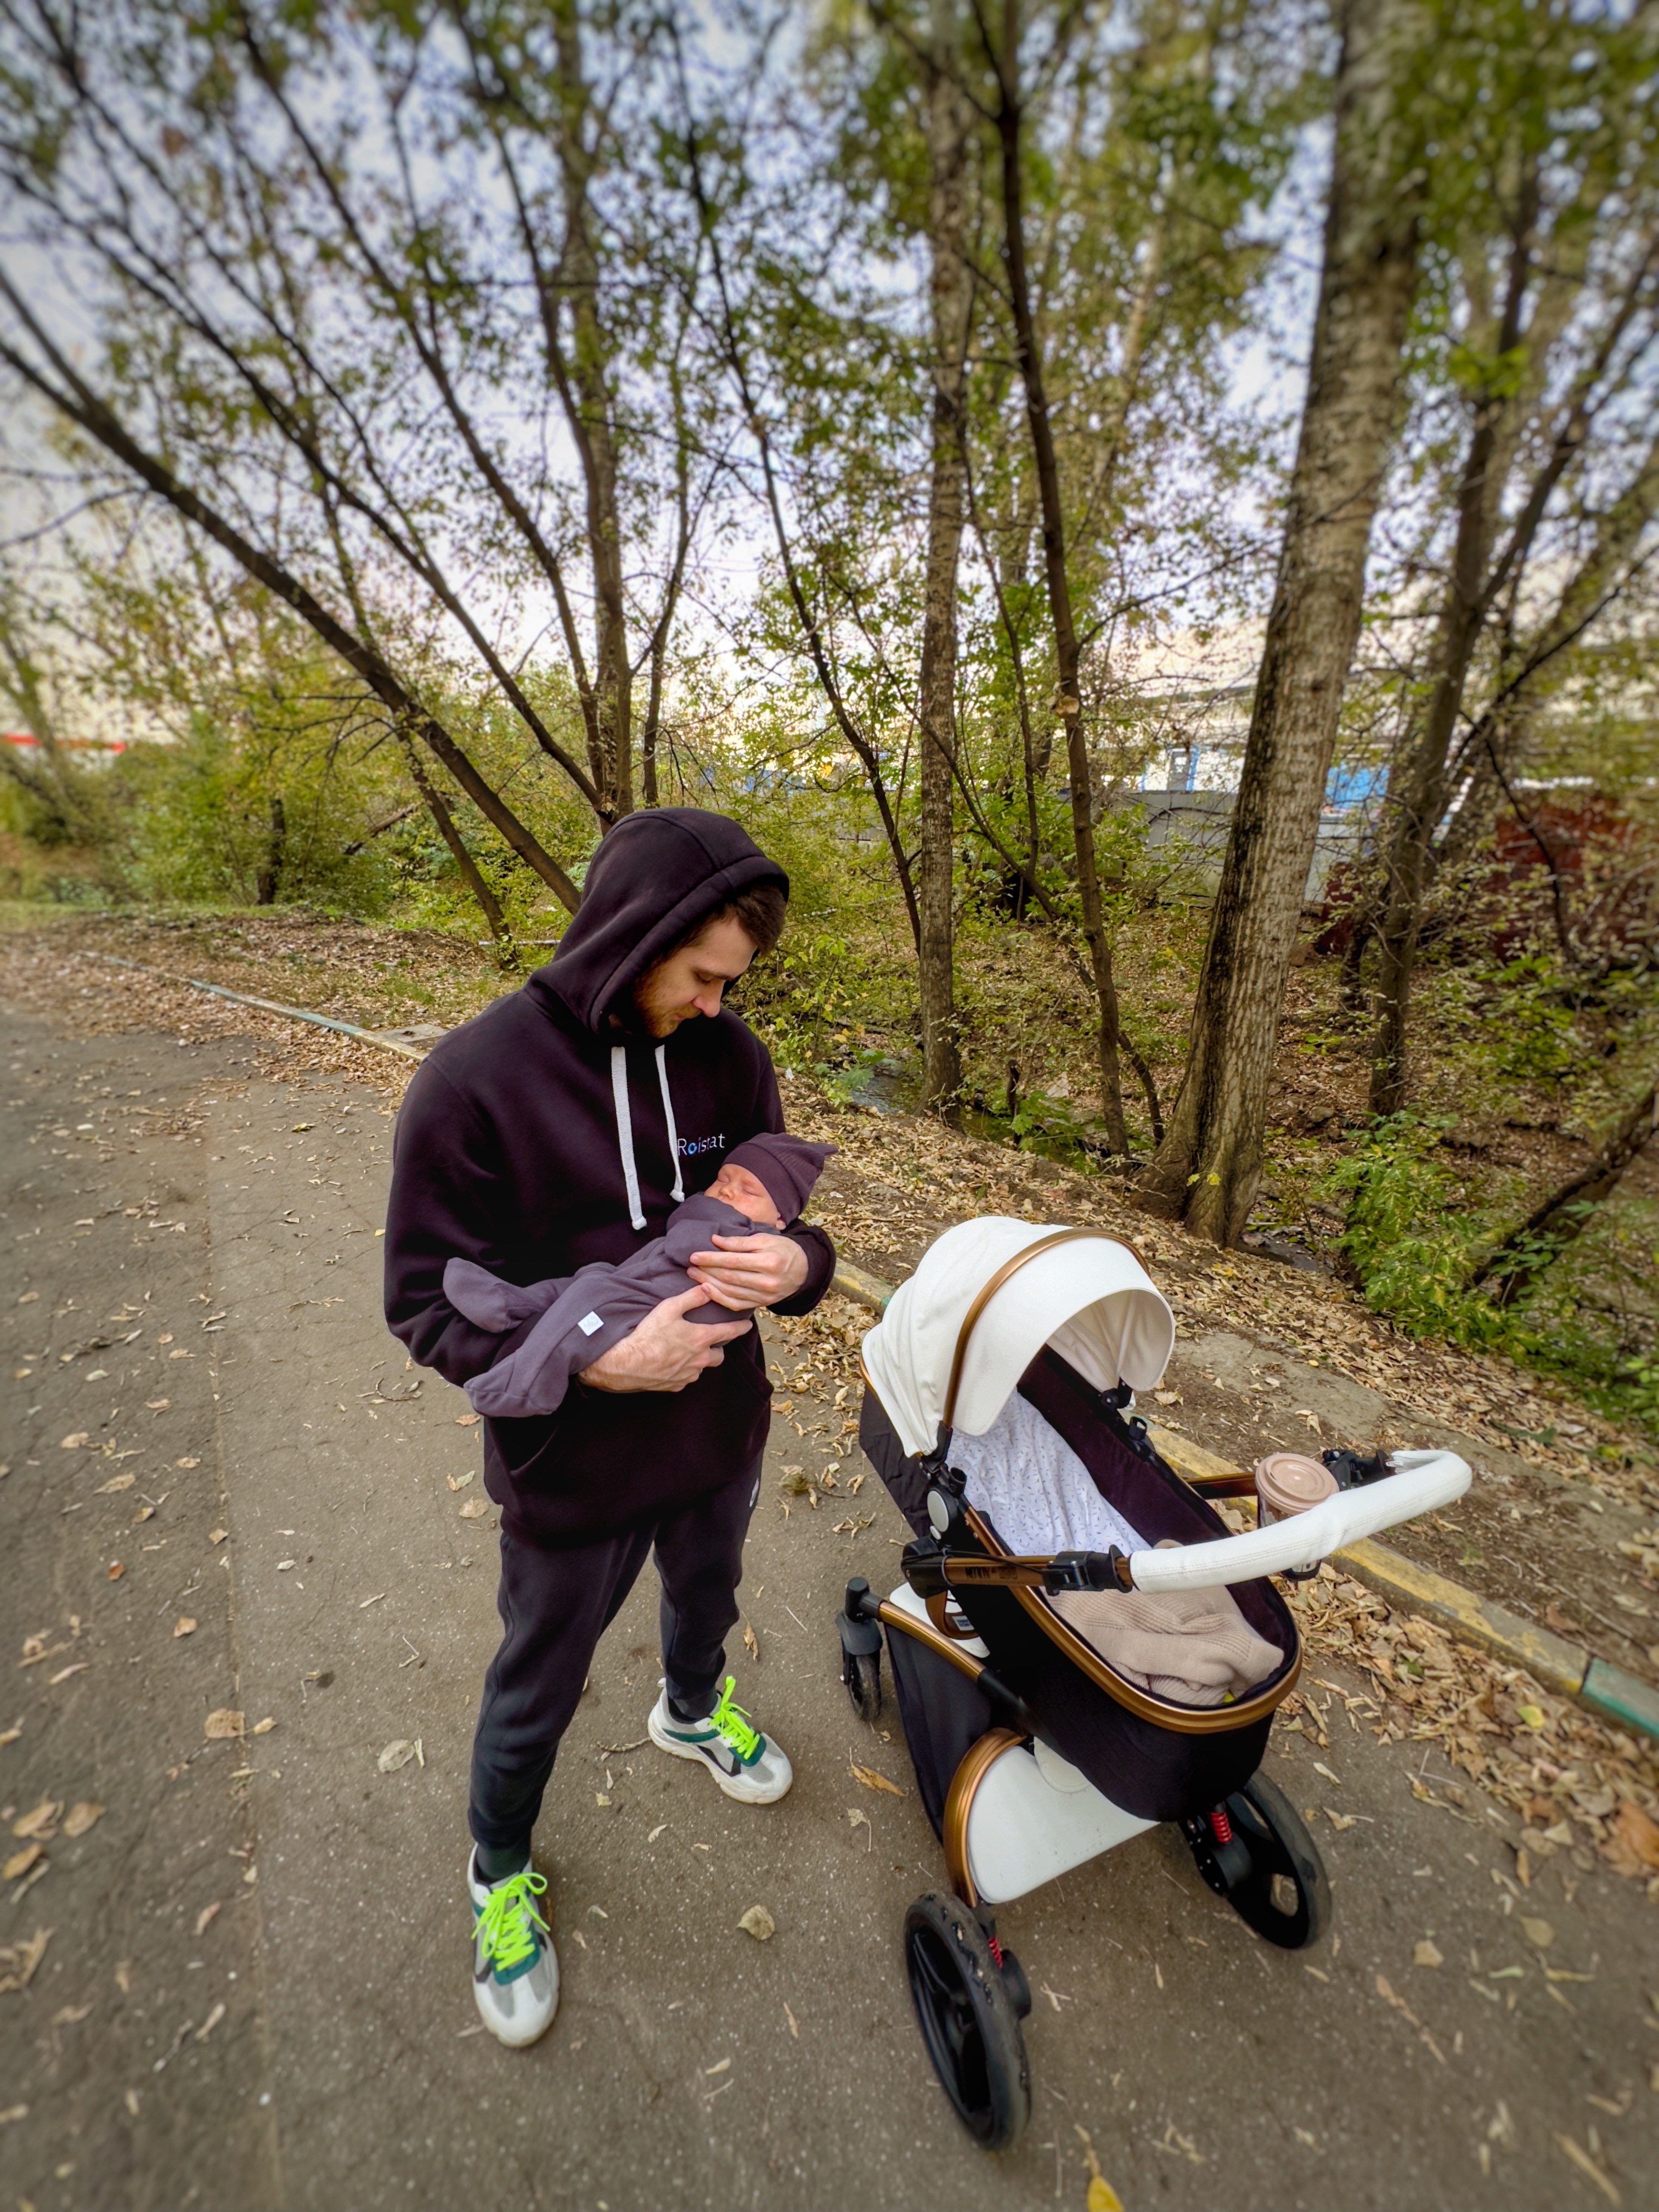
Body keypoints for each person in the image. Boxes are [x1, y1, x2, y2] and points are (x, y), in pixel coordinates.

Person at [384, 810, 836, 2049]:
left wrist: (796, 1268)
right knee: (539, 1676)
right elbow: (423, 1306)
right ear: (629, 936)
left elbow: (791, 1231)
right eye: (700, 977)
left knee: (708, 1597)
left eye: (732, 985)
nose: (715, 1007)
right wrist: (592, 1354)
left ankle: (692, 1711)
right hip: (568, 1468)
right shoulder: (472, 1083)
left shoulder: (730, 1058)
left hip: (718, 1439)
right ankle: (497, 1870)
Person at [441, 1131, 835, 1418]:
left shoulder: (747, 1235)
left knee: (591, 1300)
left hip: (671, 1310)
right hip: (639, 1285)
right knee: (586, 1281)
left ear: (782, 1220)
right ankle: (512, 1304)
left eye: (748, 1190)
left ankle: (528, 1382)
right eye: (723, 1179)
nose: (728, 1191)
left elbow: (687, 1248)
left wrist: (806, 1263)